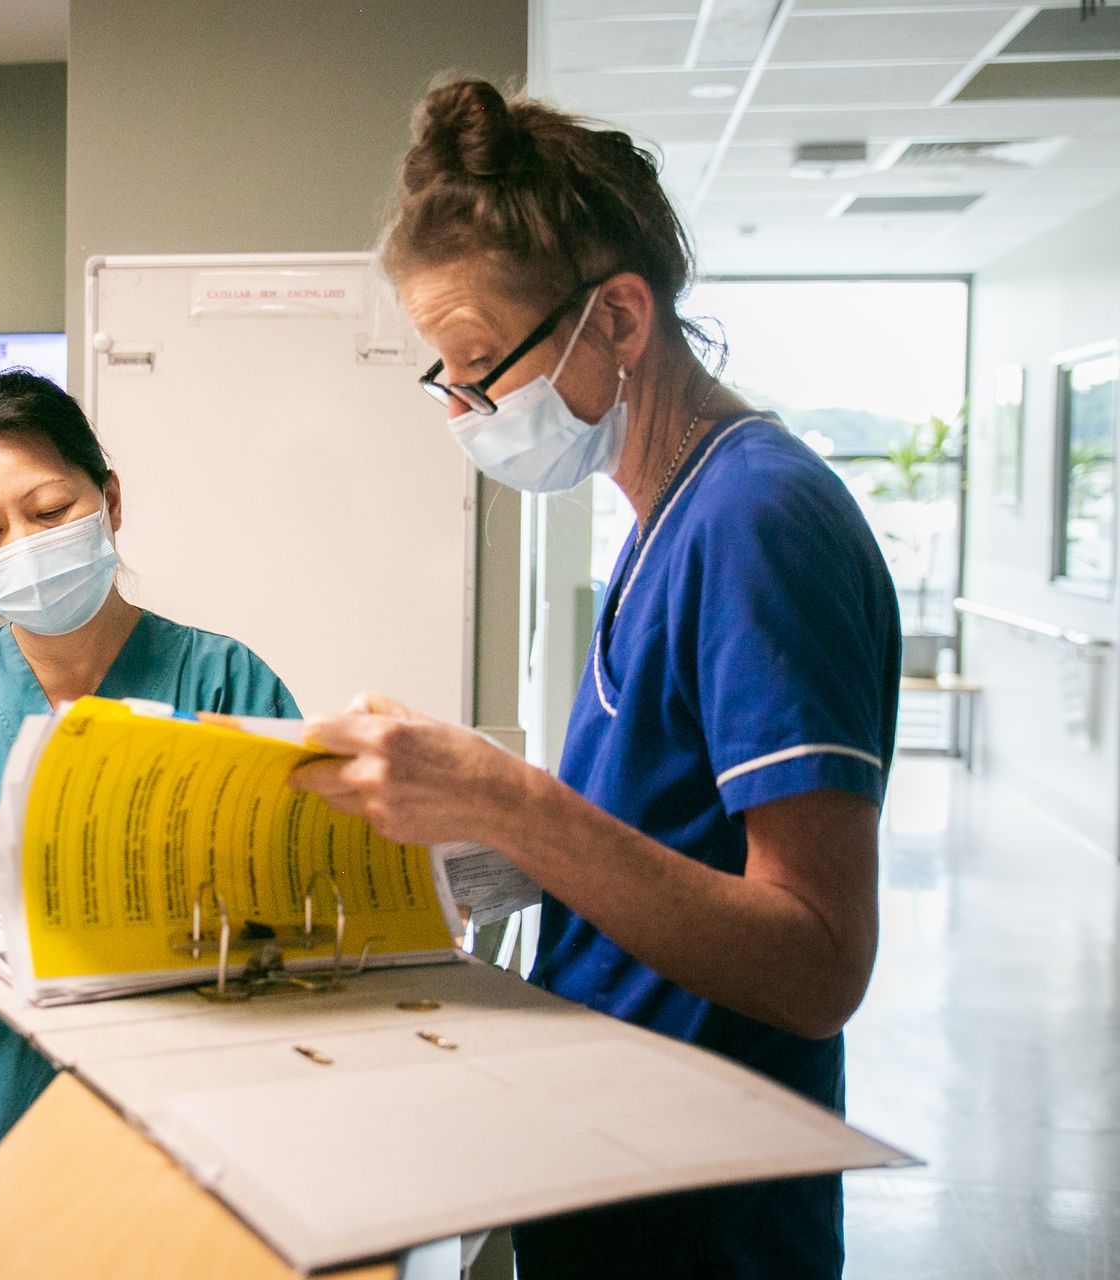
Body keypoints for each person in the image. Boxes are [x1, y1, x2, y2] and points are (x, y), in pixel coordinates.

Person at [288, 81, 901, 1279]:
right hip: (620, 1171)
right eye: (444, 376)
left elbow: (819, 960)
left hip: (707, 1217)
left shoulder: (755, 518)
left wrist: (509, 800)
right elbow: (668, 842)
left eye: (480, 364)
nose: (466, 407)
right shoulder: (667, 517)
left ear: (619, 317)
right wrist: (460, 824)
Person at [0, 371, 298, 1278]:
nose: (23, 547)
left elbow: (297, 921)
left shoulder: (226, 686)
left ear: (109, 500)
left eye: (49, 511)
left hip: (182, 1096)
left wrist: (50, 861)